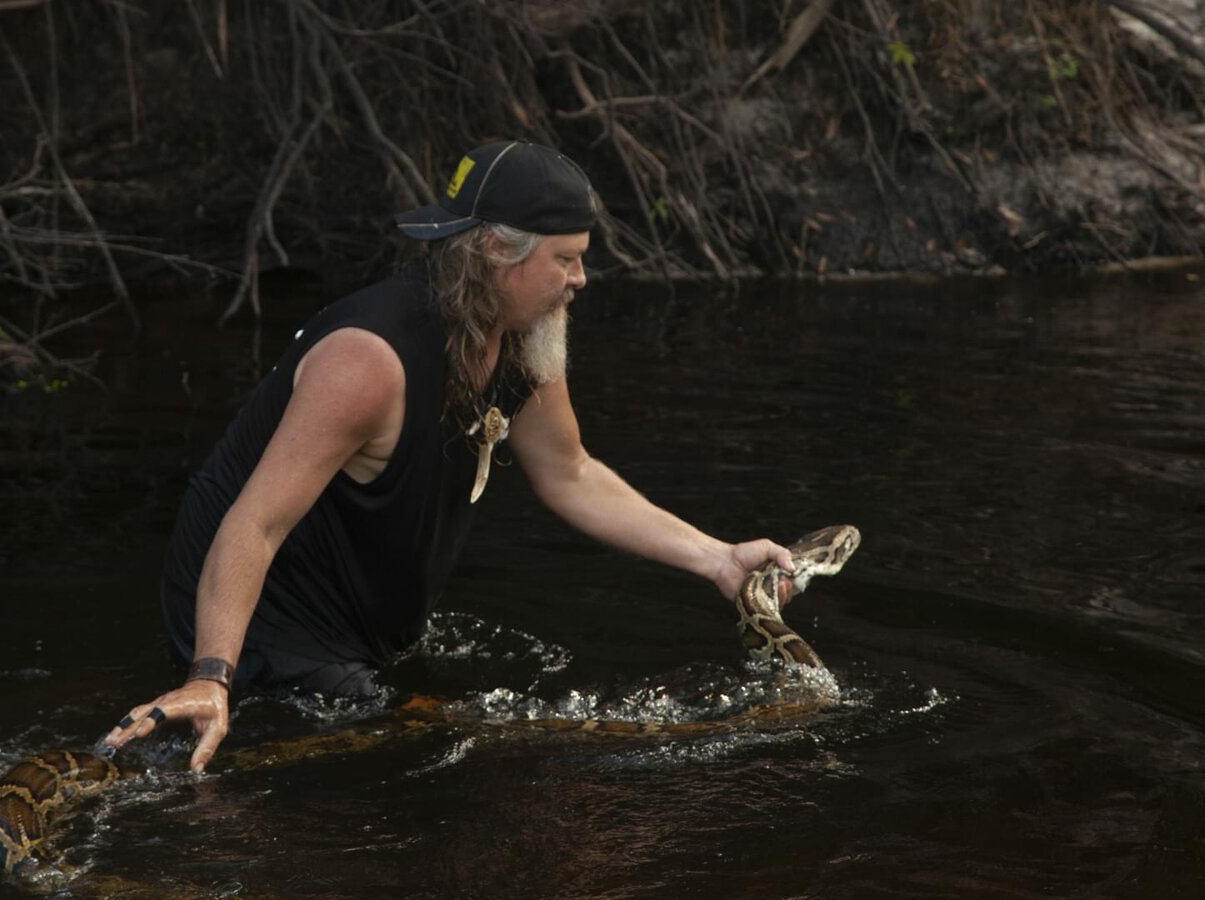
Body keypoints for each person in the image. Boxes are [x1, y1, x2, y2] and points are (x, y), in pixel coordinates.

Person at [106, 140, 798, 771]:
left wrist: (718, 559)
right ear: (497, 250)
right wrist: (210, 676)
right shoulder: (369, 360)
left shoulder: (525, 334)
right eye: (565, 259)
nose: (582, 278)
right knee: (442, 748)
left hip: (363, 624)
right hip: (265, 620)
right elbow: (252, 523)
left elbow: (571, 472)